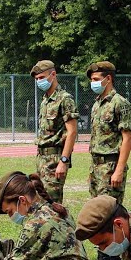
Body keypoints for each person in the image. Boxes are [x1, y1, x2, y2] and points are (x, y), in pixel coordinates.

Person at [84, 60, 131, 260]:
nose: (93, 83)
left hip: (111, 164)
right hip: (97, 166)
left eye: (96, 79)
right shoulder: (97, 104)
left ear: (108, 79)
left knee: (109, 213)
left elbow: (127, 138)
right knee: (98, 212)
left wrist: (119, 169)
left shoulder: (119, 103)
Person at [30, 59, 79, 204]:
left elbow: (72, 132)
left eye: (42, 77)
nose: (39, 81)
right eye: (37, 79)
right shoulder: (45, 100)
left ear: (53, 75)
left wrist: (64, 161)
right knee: (41, 202)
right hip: (42, 158)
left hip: (55, 159)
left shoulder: (65, 99)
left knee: (52, 203)